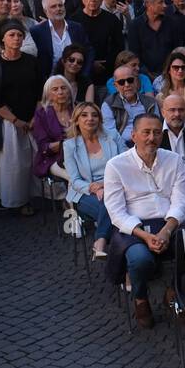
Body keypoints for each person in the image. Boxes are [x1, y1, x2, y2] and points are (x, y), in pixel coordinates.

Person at [103, 113, 185, 328]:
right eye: (145, 132)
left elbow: (181, 201)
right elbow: (116, 212)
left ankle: (173, 292)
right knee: (140, 259)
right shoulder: (115, 165)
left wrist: (167, 230)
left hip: (169, 221)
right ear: (133, 135)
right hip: (134, 227)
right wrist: (144, 234)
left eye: (155, 133)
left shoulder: (175, 160)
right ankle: (140, 298)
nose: (151, 138)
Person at [0, 18, 42, 213]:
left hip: (33, 120)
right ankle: (18, 201)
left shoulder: (31, 61)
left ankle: (38, 196)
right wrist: (16, 121)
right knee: (14, 165)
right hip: (9, 123)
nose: (16, 38)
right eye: (12, 35)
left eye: (19, 35)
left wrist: (35, 117)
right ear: (3, 39)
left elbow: (40, 92)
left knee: (35, 159)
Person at [64, 102, 125, 260]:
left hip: (115, 186)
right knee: (117, 212)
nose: (90, 118)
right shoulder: (70, 145)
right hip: (84, 193)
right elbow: (75, 180)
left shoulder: (113, 136)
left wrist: (105, 185)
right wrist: (94, 188)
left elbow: (127, 164)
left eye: (94, 115)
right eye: (84, 115)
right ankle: (125, 265)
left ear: (100, 119)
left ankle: (100, 242)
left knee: (110, 203)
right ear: (76, 120)